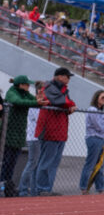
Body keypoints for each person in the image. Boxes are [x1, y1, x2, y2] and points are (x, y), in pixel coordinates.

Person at [36, 67, 77, 195]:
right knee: (46, 162)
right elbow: (62, 102)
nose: (68, 79)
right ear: (59, 76)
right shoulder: (49, 87)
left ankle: (47, 189)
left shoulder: (61, 89)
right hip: (50, 131)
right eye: (67, 76)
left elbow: (67, 103)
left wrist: (70, 105)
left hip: (59, 131)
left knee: (53, 163)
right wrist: (71, 105)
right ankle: (41, 189)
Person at [1, 75, 43, 197]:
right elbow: (16, 101)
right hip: (9, 133)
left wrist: (39, 101)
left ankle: (8, 187)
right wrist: (36, 102)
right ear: (21, 85)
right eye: (27, 85)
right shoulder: (12, 92)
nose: (29, 87)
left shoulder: (25, 93)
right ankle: (4, 186)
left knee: (12, 163)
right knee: (7, 162)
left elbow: (35, 100)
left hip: (19, 133)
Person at [79, 90, 104, 194]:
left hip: (101, 139)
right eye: (103, 97)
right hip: (94, 138)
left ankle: (100, 188)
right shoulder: (92, 109)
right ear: (97, 97)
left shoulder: (100, 111)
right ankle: (83, 187)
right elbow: (97, 125)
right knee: (90, 164)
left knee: (101, 165)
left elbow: (101, 125)